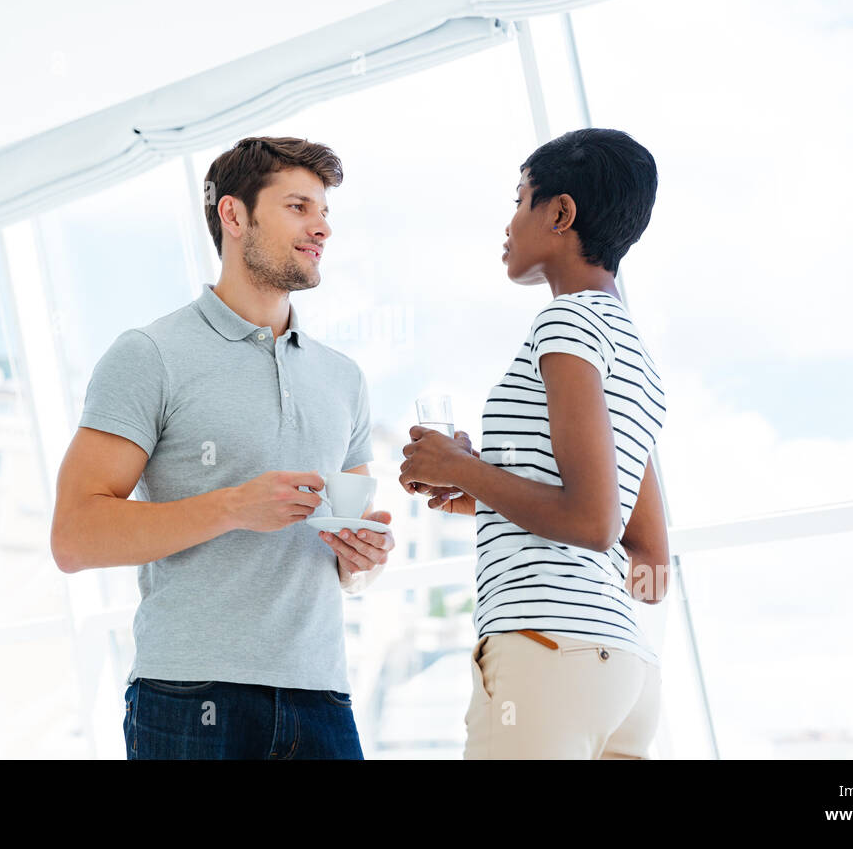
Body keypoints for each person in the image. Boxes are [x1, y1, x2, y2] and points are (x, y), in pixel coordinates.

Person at [51, 135, 396, 759]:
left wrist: (362, 555)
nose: (320, 228)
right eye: (298, 207)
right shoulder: (149, 355)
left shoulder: (344, 378)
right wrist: (234, 507)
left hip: (321, 697)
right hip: (188, 699)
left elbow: (351, 564)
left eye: (324, 214)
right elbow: (74, 536)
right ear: (233, 215)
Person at [399, 128, 670, 759]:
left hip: (547, 655)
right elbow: (647, 552)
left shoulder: (565, 321)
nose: (509, 222)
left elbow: (592, 521)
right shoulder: (636, 354)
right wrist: (480, 494)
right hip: (625, 672)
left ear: (560, 212)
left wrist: (463, 468)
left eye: (520, 200)